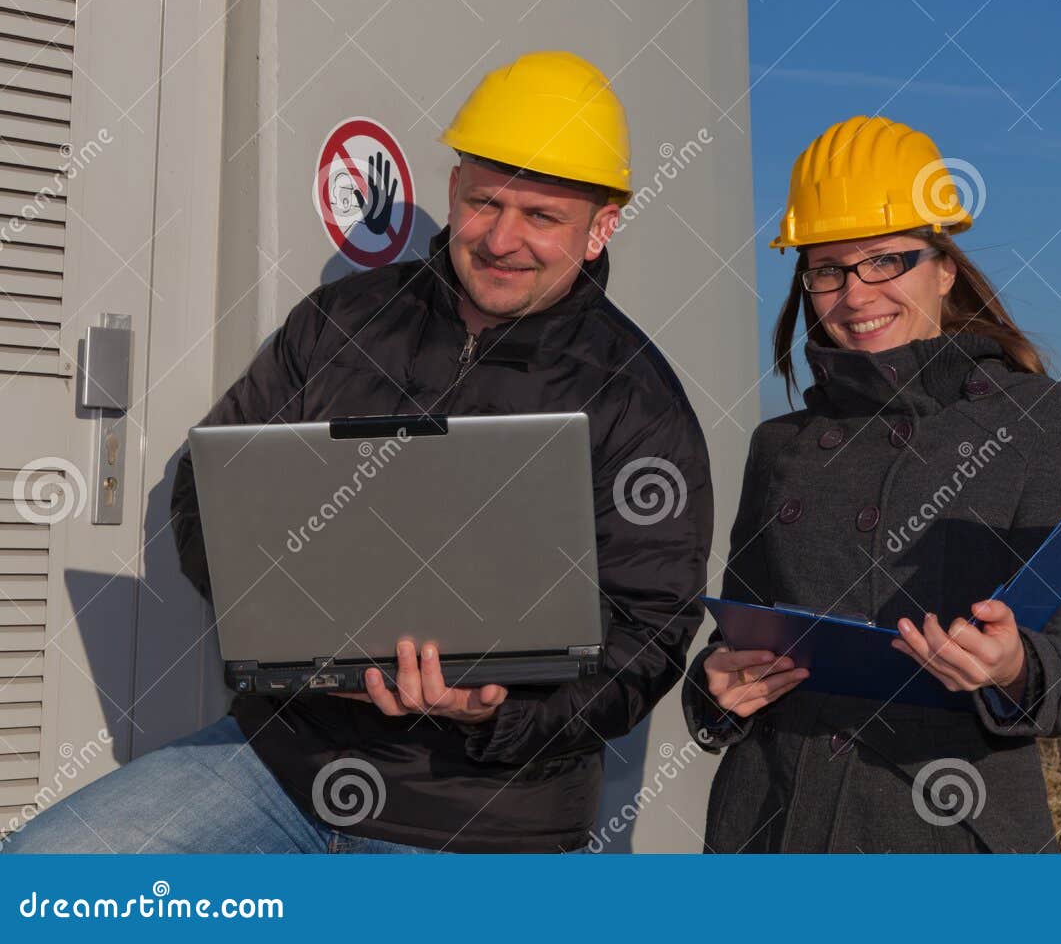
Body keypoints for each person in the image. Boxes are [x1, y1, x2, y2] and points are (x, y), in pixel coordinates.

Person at [5, 51, 713, 855]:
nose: (501, 237)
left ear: (602, 226)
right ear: (453, 190)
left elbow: (648, 634)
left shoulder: (638, 402)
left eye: (542, 217)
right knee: (46, 871)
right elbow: (209, 491)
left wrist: (497, 710)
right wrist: (289, 619)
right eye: (484, 201)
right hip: (282, 763)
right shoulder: (343, 320)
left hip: (484, 815)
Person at [682, 115, 1061, 853]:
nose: (855, 293)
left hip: (945, 831)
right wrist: (715, 689)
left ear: (943, 266)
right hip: (770, 827)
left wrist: (1013, 666)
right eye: (828, 269)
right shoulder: (777, 446)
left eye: (886, 260)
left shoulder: (1040, 420)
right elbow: (737, 635)